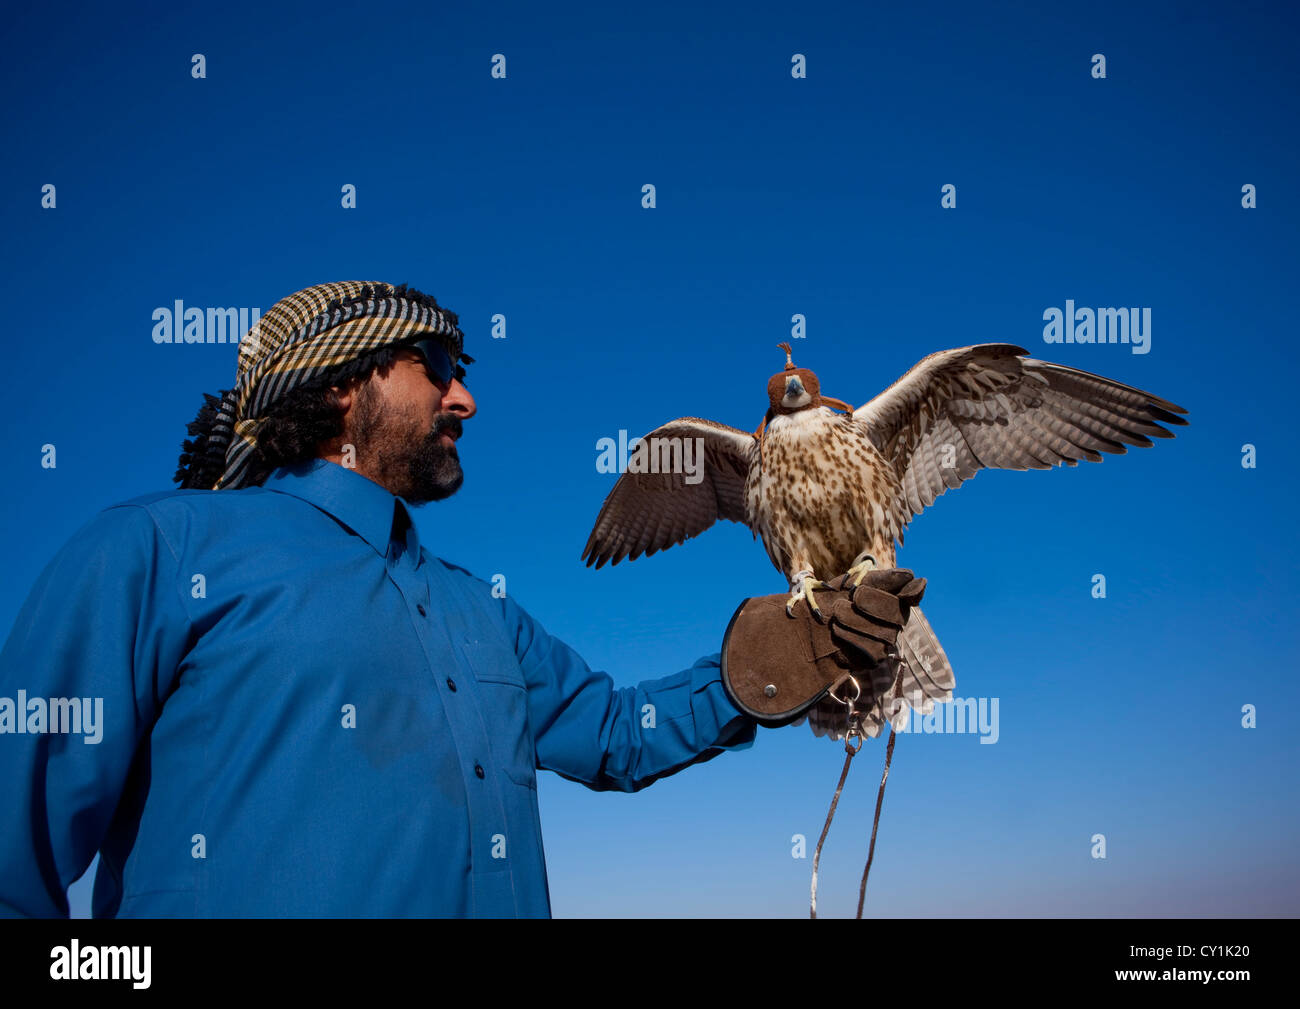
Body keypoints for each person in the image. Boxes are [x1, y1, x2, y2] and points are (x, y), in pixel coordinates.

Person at [0, 281, 921, 918]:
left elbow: (614, 735)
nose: (466, 396)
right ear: (340, 383)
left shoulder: (479, 612)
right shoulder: (156, 553)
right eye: (437, 363)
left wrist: (760, 672)